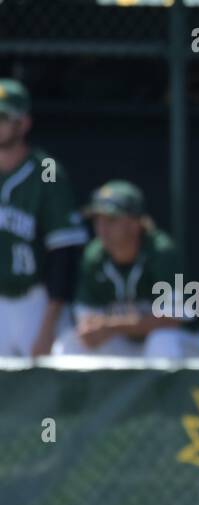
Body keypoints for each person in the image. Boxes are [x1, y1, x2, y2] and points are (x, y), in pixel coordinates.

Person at [53, 180, 197, 358]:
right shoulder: (94, 256)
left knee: (161, 341)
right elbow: (87, 319)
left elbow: (172, 320)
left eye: (111, 220)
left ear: (135, 223)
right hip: (123, 343)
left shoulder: (160, 253)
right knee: (69, 345)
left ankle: (170, 388)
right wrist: (92, 331)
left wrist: (113, 326)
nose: (102, 228)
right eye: (97, 220)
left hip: (183, 347)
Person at [0, 79, 87, 357]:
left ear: (23, 124)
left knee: (45, 387)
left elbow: (63, 255)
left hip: (34, 300)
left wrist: (48, 325)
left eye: (2, 117)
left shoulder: (45, 172)